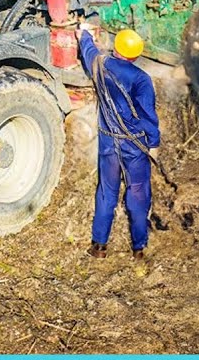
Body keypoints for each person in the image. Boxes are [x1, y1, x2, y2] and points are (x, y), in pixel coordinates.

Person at [76, 21, 160, 260]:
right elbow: (148, 115)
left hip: (108, 143)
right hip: (134, 145)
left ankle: (99, 247)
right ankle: (139, 248)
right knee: (137, 194)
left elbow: (88, 50)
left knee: (106, 193)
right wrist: (153, 144)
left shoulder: (100, 64)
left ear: (116, 47)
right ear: (136, 55)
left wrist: (83, 35)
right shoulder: (141, 79)